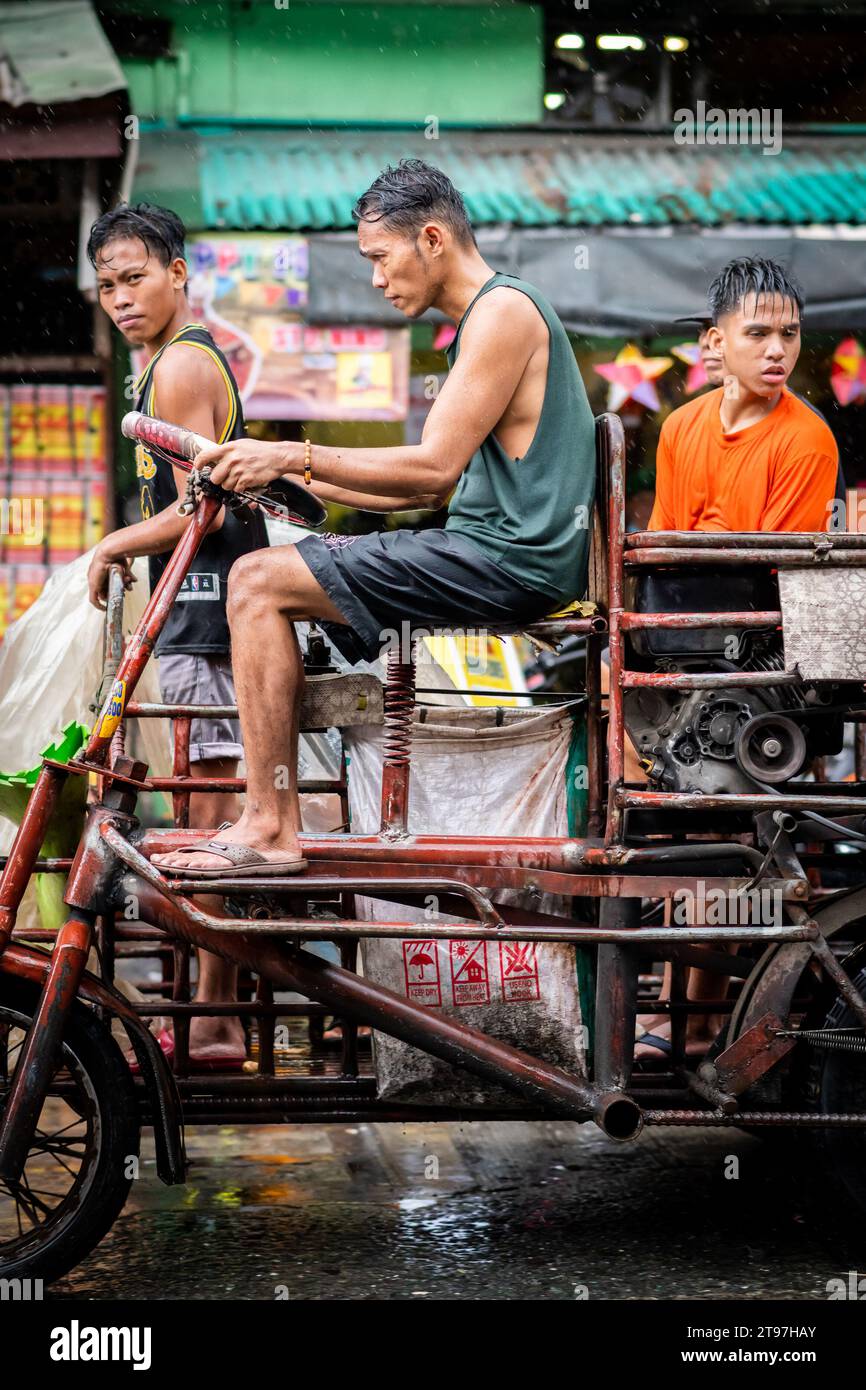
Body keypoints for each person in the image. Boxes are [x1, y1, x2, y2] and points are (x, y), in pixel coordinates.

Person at [147, 158, 597, 877]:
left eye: (380, 259)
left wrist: (291, 454)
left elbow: (431, 469)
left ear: (431, 239)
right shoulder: (488, 318)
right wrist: (292, 482)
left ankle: (269, 824)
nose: (377, 280)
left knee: (256, 581)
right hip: (491, 549)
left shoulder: (503, 313)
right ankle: (274, 817)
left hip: (512, 560)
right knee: (274, 572)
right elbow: (413, 494)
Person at [635, 256, 839, 1061]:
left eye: (789, 333)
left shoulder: (808, 438)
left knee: (729, 842)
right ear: (714, 345)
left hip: (762, 664)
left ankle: (705, 1022)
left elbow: (769, 570)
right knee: (679, 838)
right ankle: (677, 1017)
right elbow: (675, 552)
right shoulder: (682, 427)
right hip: (684, 647)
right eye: (757, 332)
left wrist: (707, 546)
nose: (777, 348)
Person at [86, 202, 268, 1068]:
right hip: (205, 614)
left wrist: (116, 541)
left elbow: (204, 509)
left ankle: (217, 1024)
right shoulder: (167, 364)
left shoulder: (180, 369)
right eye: (107, 284)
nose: (121, 297)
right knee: (206, 812)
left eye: (135, 277)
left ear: (179, 274)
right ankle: (208, 1014)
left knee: (214, 816)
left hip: (211, 614)